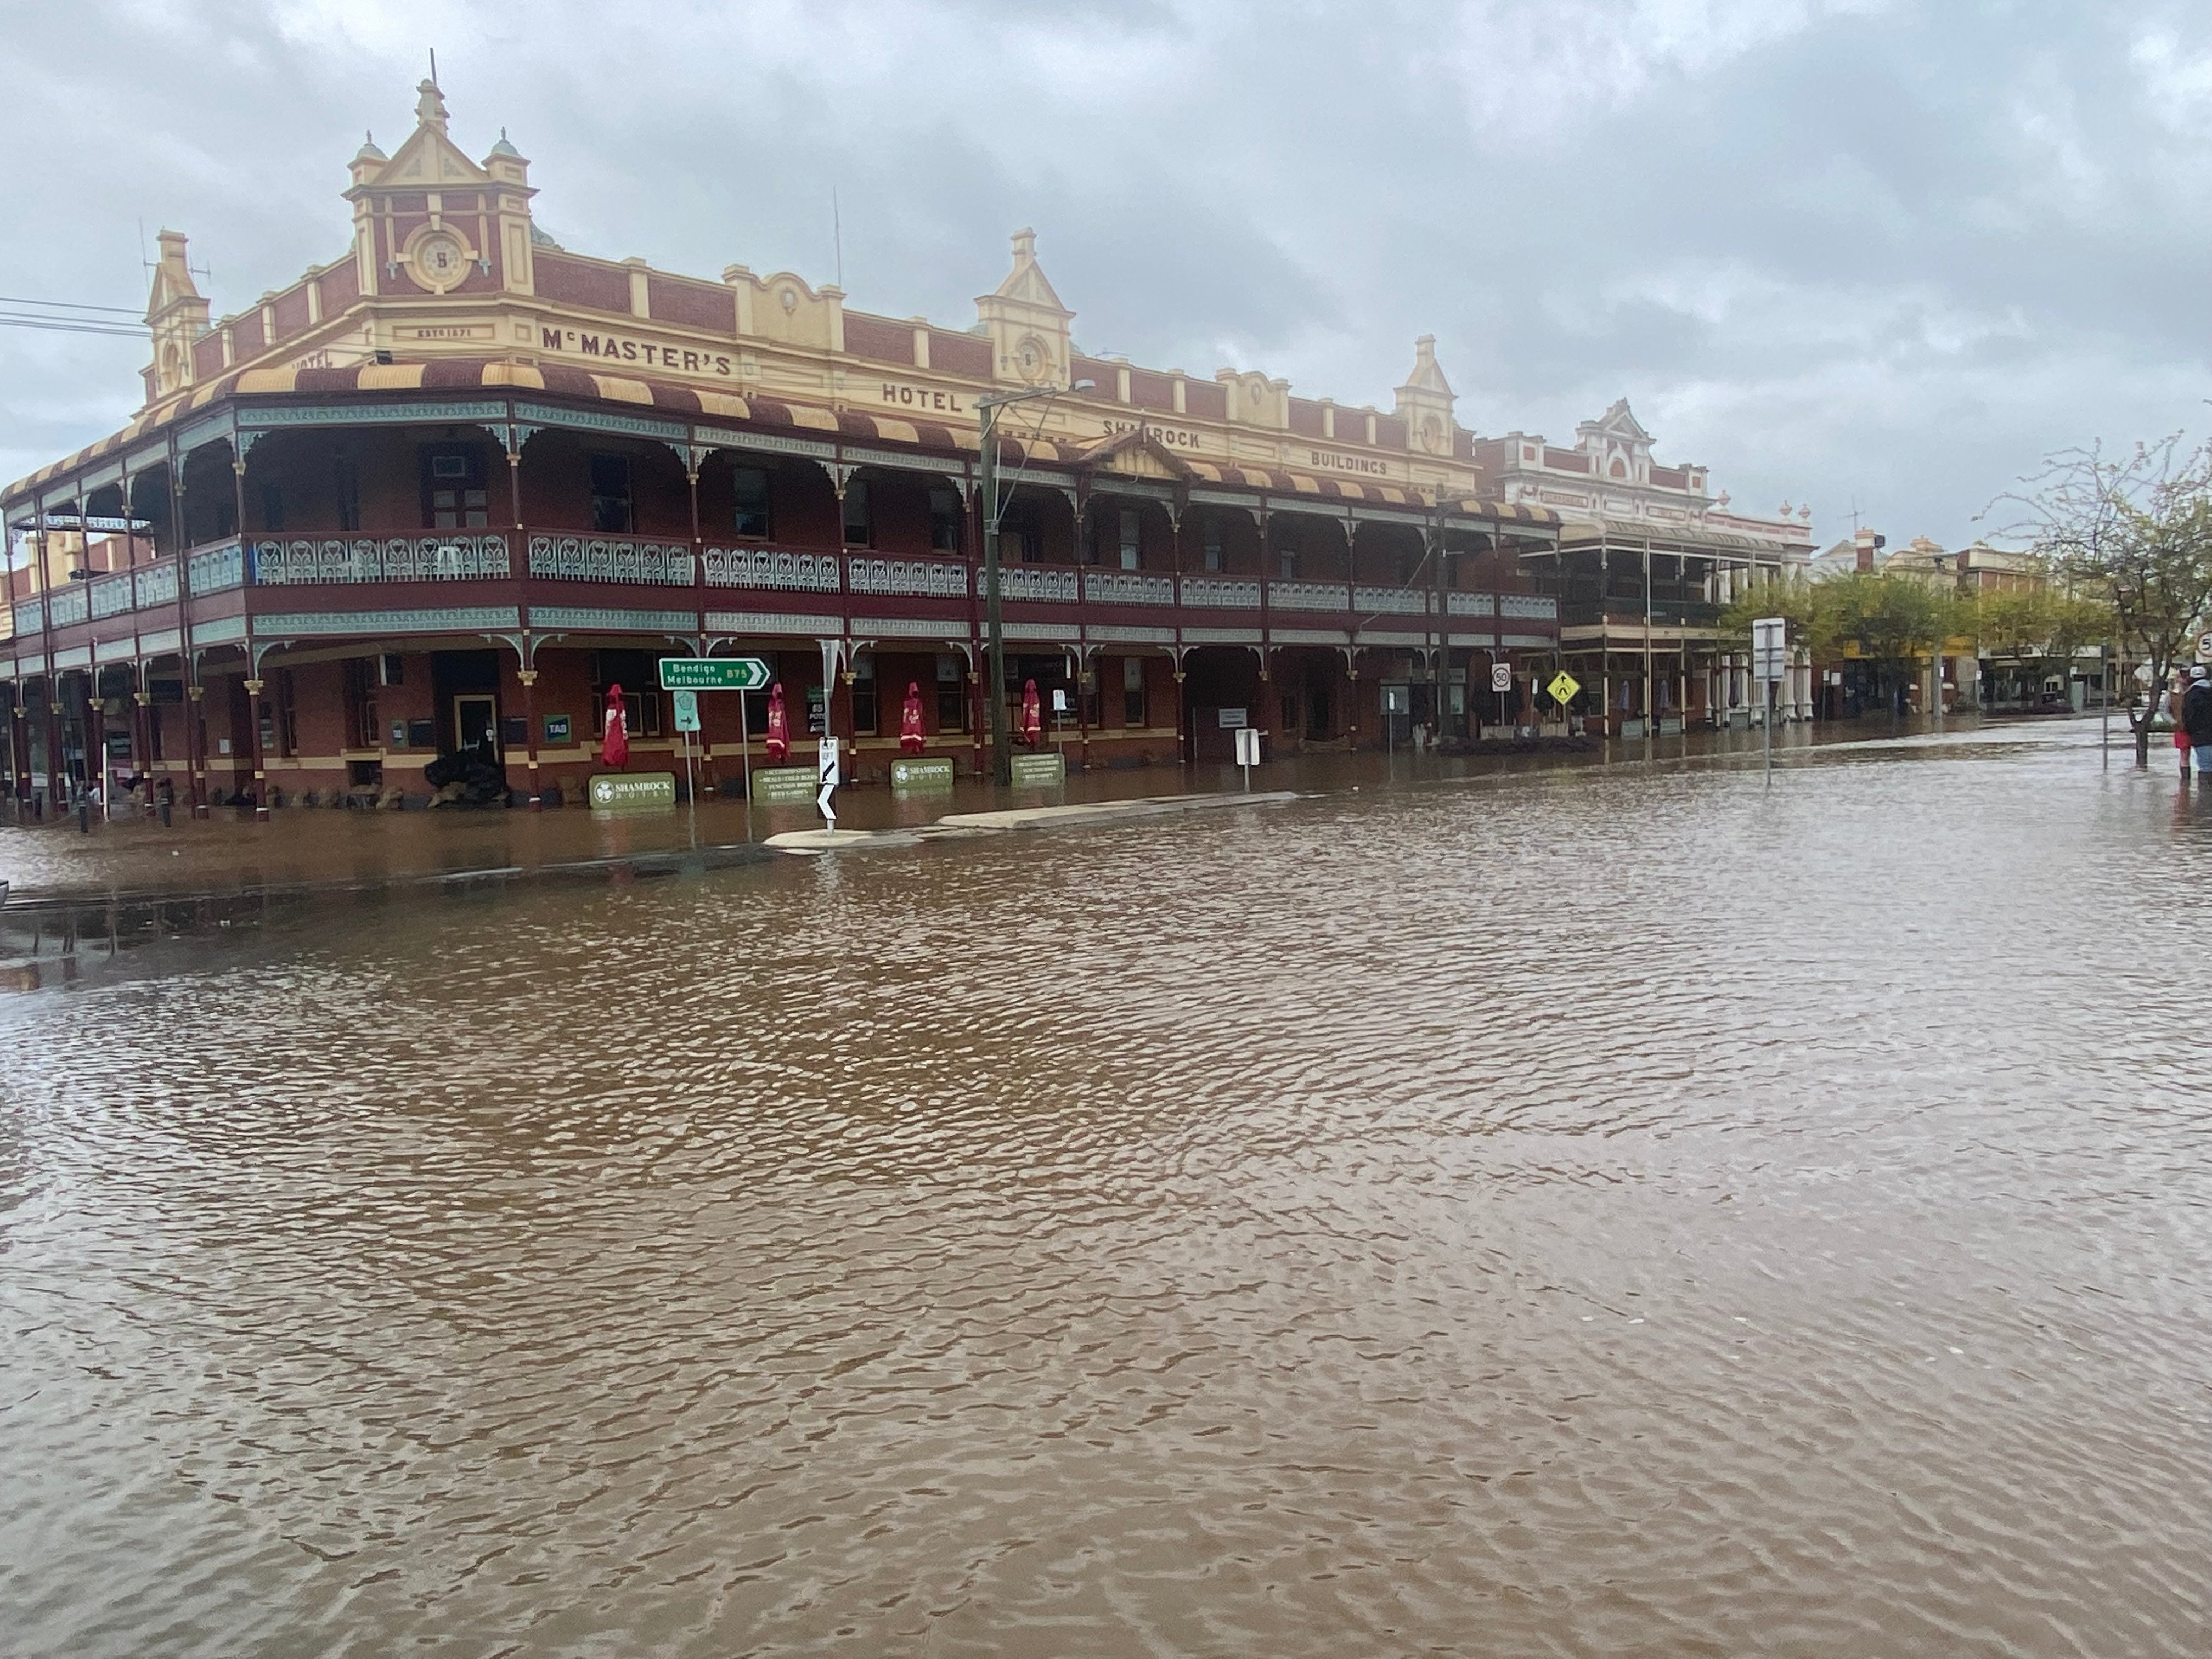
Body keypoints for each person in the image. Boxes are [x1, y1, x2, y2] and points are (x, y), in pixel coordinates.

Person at [2182, 664, 2212, 780]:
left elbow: (2189, 717)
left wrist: (2189, 730)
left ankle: (2205, 796)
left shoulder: (2191, 695)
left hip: (2201, 736)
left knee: (2206, 766)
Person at [2163, 670, 2192, 781]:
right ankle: (2185, 783)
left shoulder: (2197, 691)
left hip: (2199, 728)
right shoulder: (2172, 695)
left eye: (2186, 676)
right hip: (2182, 728)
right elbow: (2164, 711)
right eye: (2181, 677)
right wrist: (2173, 722)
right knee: (2185, 755)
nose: (2184, 680)